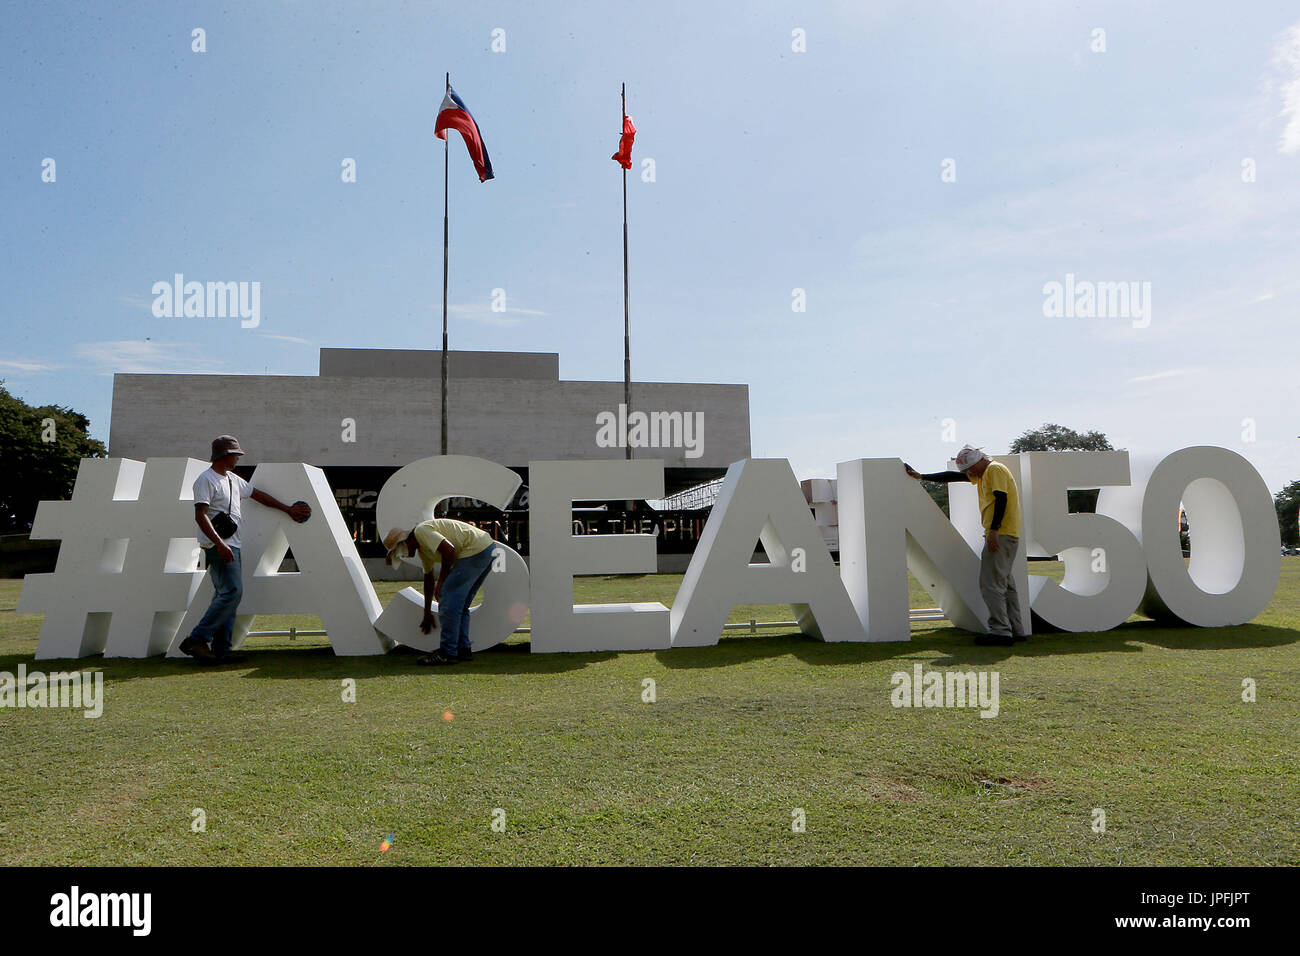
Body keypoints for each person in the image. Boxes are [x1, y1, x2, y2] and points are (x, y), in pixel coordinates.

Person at [178, 435, 311, 664]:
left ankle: (221, 649)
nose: (238, 459)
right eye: (235, 455)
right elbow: (200, 516)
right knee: (232, 592)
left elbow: (258, 495)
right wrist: (219, 544)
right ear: (224, 455)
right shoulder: (205, 480)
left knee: (227, 595)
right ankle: (196, 640)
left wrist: (287, 509)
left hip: (232, 544)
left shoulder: (232, 479)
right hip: (219, 545)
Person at [905, 445, 1026, 646]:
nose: (969, 474)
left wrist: (994, 531)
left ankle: (1001, 632)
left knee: (990, 584)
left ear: (979, 461)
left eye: (970, 469)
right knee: (1006, 584)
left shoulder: (994, 469)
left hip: (1001, 533)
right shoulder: (985, 472)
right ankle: (1016, 630)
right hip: (1006, 533)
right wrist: (922, 476)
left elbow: (1001, 499)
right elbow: (953, 476)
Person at [383, 517, 498, 665]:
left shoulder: (421, 532)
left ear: (405, 541)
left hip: (475, 549)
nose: (403, 555)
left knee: (448, 599)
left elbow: (449, 550)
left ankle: (448, 652)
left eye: (400, 551)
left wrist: (442, 581)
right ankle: (463, 649)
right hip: (486, 548)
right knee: (460, 605)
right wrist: (427, 612)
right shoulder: (423, 549)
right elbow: (429, 580)